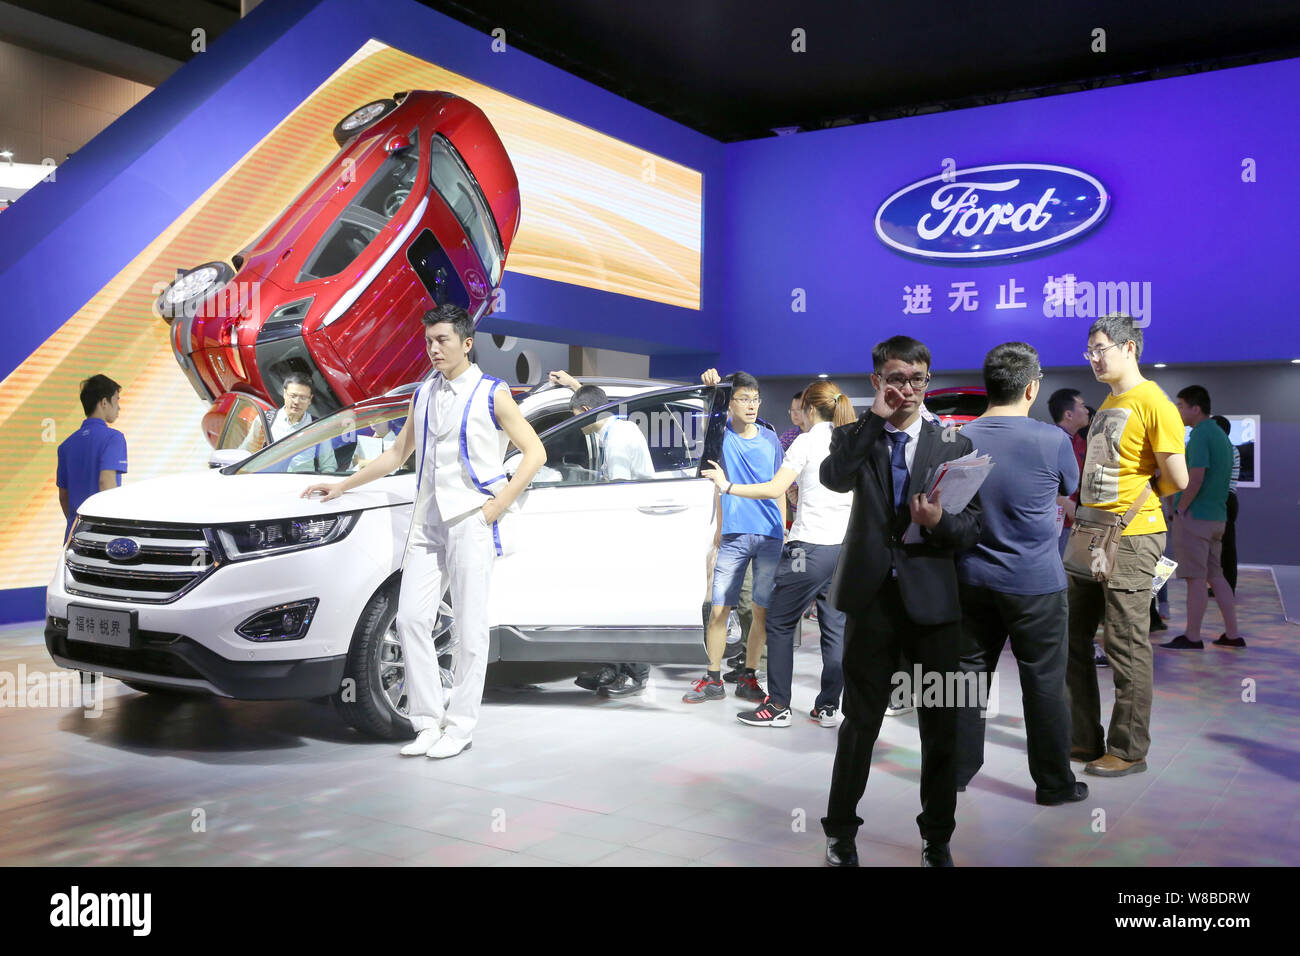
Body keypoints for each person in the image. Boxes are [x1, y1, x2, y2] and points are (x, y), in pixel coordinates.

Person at [303, 304, 545, 759]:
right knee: (413, 619)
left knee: (470, 628)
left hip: (472, 519)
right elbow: (396, 454)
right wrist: (341, 485)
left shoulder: (492, 393)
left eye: (442, 341)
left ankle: (462, 725)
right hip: (426, 522)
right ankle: (428, 721)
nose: (433, 349)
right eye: (429, 341)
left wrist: (496, 507)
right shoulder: (424, 393)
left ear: (467, 343)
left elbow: (535, 452)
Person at [818, 335, 983, 868]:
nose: (907, 390)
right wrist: (872, 419)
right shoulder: (855, 435)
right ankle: (840, 831)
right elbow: (833, 478)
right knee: (860, 723)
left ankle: (937, 838)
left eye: (916, 379)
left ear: (927, 380)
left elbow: (971, 527)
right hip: (871, 602)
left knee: (940, 724)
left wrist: (939, 523)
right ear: (877, 381)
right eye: (896, 379)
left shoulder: (953, 444)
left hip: (933, 605)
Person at [954, 343, 1086, 806]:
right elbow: (1071, 491)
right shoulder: (1053, 440)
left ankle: (956, 772)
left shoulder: (959, 439)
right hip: (1036, 584)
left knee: (966, 679)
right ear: (1032, 387)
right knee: (1045, 684)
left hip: (970, 580)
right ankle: (1053, 784)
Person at [1066, 315, 1187, 779]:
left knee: (1126, 645)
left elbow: (1176, 477)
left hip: (1131, 537)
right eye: (1089, 350)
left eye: (1101, 348)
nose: (1094, 358)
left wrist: (1131, 508)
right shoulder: (1112, 399)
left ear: (1129, 347)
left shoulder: (1153, 401)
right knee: (1073, 640)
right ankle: (1083, 739)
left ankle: (1129, 749)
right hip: (1090, 534)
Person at [701, 379, 855, 728]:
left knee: (779, 622)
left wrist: (727, 487)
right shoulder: (851, 439)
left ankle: (779, 706)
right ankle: (829, 706)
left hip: (809, 548)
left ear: (810, 409)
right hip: (844, 550)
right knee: (835, 629)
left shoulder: (804, 441)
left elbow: (775, 488)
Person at [549, 371, 657, 697]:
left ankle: (635, 674)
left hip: (630, 530)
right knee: (614, 604)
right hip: (629, 527)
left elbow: (619, 490)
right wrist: (572, 384)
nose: (576, 423)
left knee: (626, 604)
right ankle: (615, 666)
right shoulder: (612, 428)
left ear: (583, 413)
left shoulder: (618, 437)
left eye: (575, 417)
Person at [684, 370, 785, 705]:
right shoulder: (721, 435)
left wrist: (783, 526)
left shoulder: (770, 438)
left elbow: (779, 485)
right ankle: (713, 677)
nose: (752, 405)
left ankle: (749, 676)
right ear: (731, 402)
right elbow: (714, 473)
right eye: (744, 398)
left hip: (769, 535)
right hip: (734, 535)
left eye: (756, 398)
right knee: (719, 609)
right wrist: (716, 389)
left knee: (760, 612)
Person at [1161, 387, 1244, 649]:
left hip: (1197, 518)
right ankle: (1232, 633)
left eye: (1181, 405)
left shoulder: (1200, 436)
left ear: (1196, 408)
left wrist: (1179, 508)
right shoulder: (1220, 436)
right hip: (1217, 517)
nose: (1179, 410)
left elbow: (1195, 477)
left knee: (1195, 578)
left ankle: (1192, 636)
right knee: (1215, 575)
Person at [57, 374, 128, 542]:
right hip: (103, 534)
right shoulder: (113, 438)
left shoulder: (66, 445)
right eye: (116, 400)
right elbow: (106, 483)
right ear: (104, 402)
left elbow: (63, 496)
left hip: (74, 535)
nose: (119, 408)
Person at [245, 372, 338, 473]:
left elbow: (329, 466)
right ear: (284, 394)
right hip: (270, 482)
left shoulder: (318, 427)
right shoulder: (266, 420)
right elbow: (246, 454)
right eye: (293, 396)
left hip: (303, 485)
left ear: (310, 399)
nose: (297, 402)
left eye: (303, 398)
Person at [1211, 415, 1240, 593]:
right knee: (1220, 546)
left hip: (1223, 499)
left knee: (1226, 546)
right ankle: (1221, 586)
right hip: (1226, 499)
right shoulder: (1230, 448)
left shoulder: (1224, 449)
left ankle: (1227, 587)